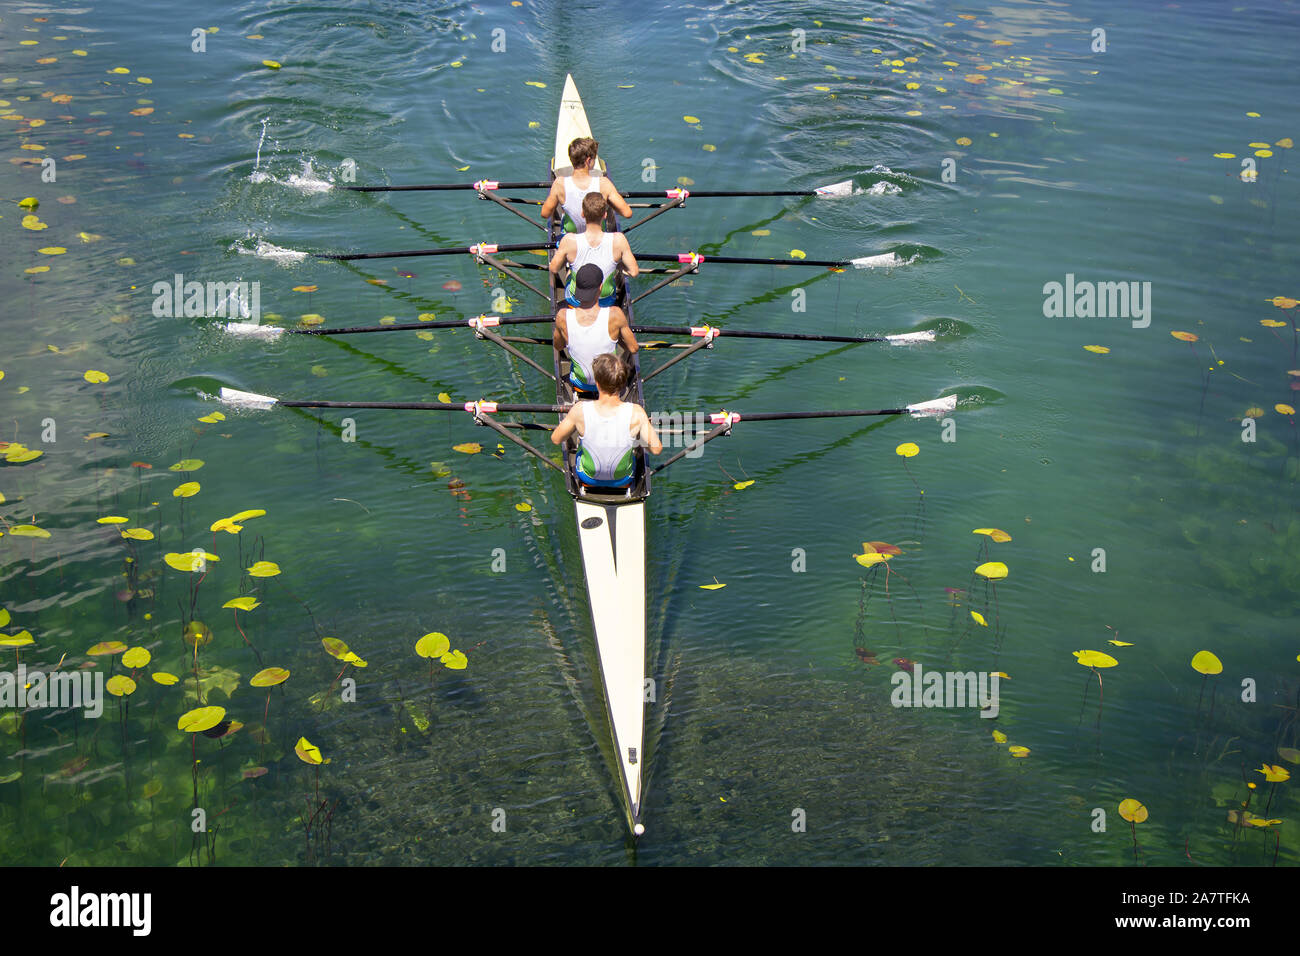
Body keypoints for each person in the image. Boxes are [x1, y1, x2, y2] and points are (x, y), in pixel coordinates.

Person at [551, 353, 661, 488]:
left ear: (596, 383)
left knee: (578, 440)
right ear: (623, 384)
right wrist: (643, 428)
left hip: (588, 477)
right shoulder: (637, 412)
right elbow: (656, 449)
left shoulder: (579, 410)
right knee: (636, 445)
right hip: (623, 480)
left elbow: (556, 439)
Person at [553, 264, 639, 396]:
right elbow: (633, 348)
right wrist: (615, 338)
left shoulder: (562, 316)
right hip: (610, 383)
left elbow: (558, 346)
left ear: (576, 287)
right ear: (600, 288)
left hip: (581, 384)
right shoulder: (615, 314)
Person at [549, 192, 638, 307]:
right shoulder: (619, 239)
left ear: (583, 214)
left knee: (570, 270)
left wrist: (568, 261)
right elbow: (634, 272)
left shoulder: (569, 240)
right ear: (605, 215)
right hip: (605, 300)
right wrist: (617, 265)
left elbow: (554, 269)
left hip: (577, 300)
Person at [540, 136, 633, 232]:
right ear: (588, 161)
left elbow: (545, 214)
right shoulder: (603, 184)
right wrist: (607, 202)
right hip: (597, 240)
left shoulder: (559, 184)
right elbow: (627, 213)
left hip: (571, 241)